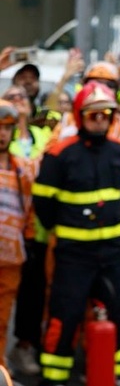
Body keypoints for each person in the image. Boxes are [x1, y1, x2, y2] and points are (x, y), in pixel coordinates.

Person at [34, 83, 120, 386]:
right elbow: (43, 204)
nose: (100, 120)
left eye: (106, 114)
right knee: (65, 314)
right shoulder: (60, 154)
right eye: (93, 114)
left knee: (118, 314)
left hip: (112, 254)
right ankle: (53, 380)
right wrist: (67, 230)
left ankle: (114, 375)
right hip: (74, 253)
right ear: (80, 116)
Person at [0, 102, 33, 370]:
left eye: (7, 129)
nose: (2, 134)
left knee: (2, 319)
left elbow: (30, 209)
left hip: (11, 258)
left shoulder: (22, 169)